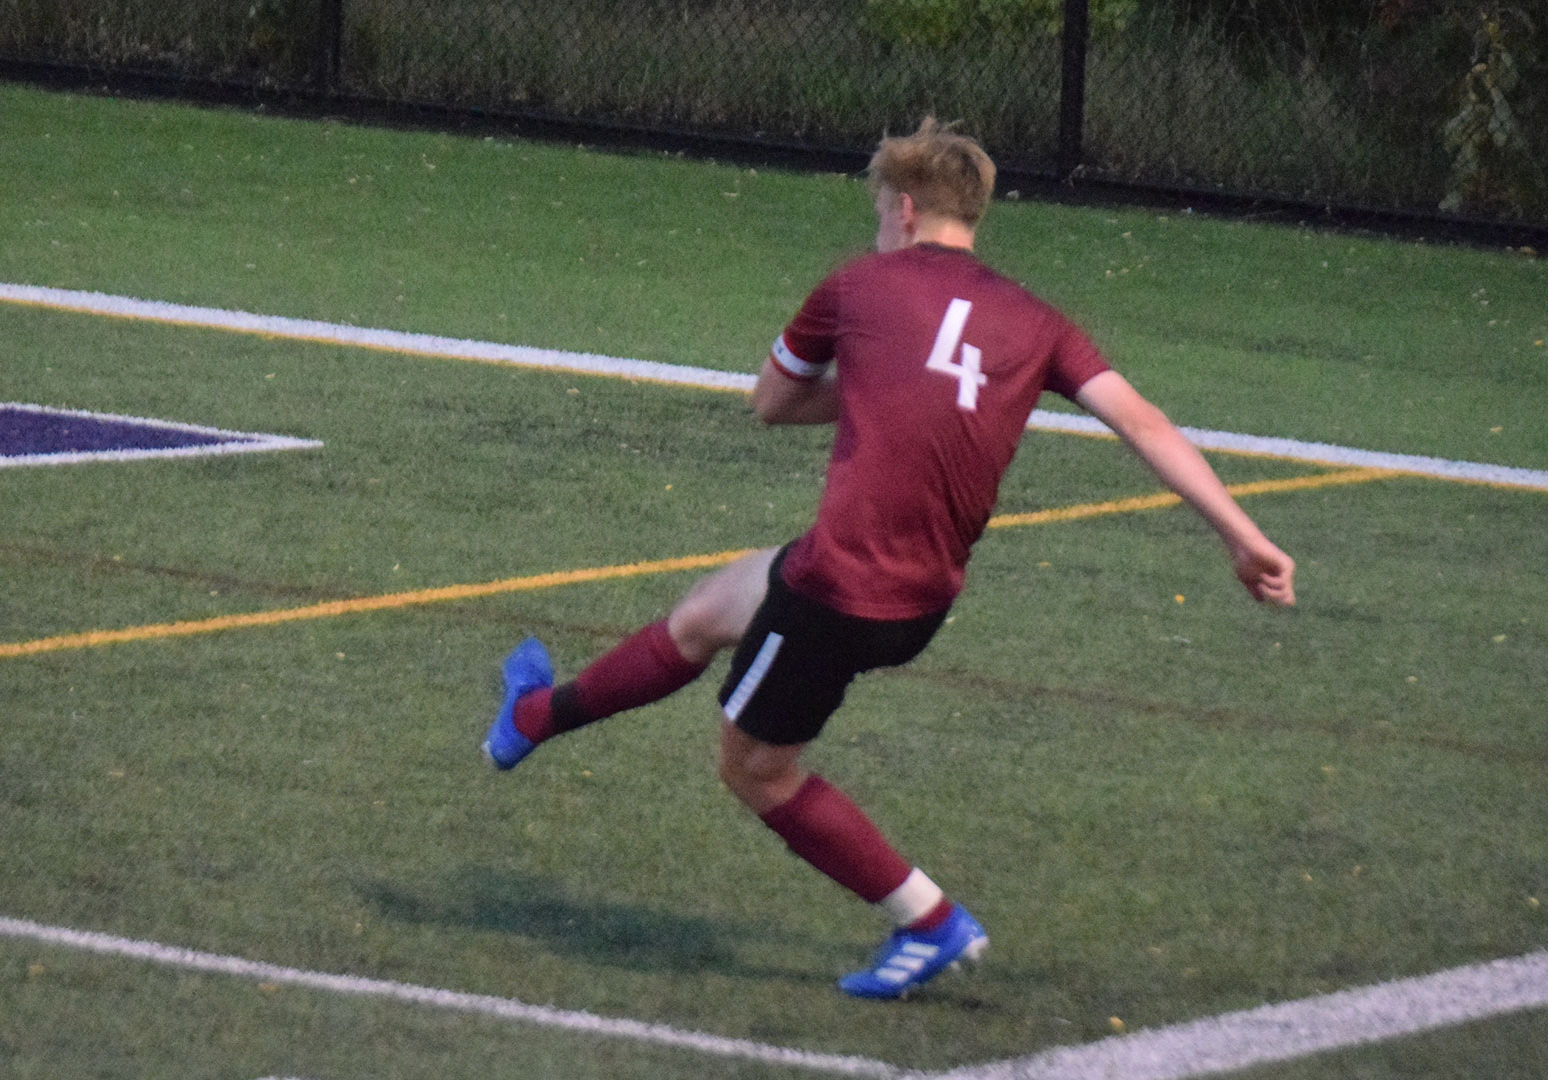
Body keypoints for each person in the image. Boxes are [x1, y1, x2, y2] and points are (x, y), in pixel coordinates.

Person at [483, 117, 1295, 1000]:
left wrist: (870, 380)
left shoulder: (857, 287)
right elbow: (1142, 422)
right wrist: (1241, 535)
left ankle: (930, 920)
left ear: (903, 210)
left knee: (752, 767)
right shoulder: (1037, 321)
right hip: (922, 595)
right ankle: (533, 719)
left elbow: (771, 403)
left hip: (841, 592)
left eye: (879, 211)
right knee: (709, 610)